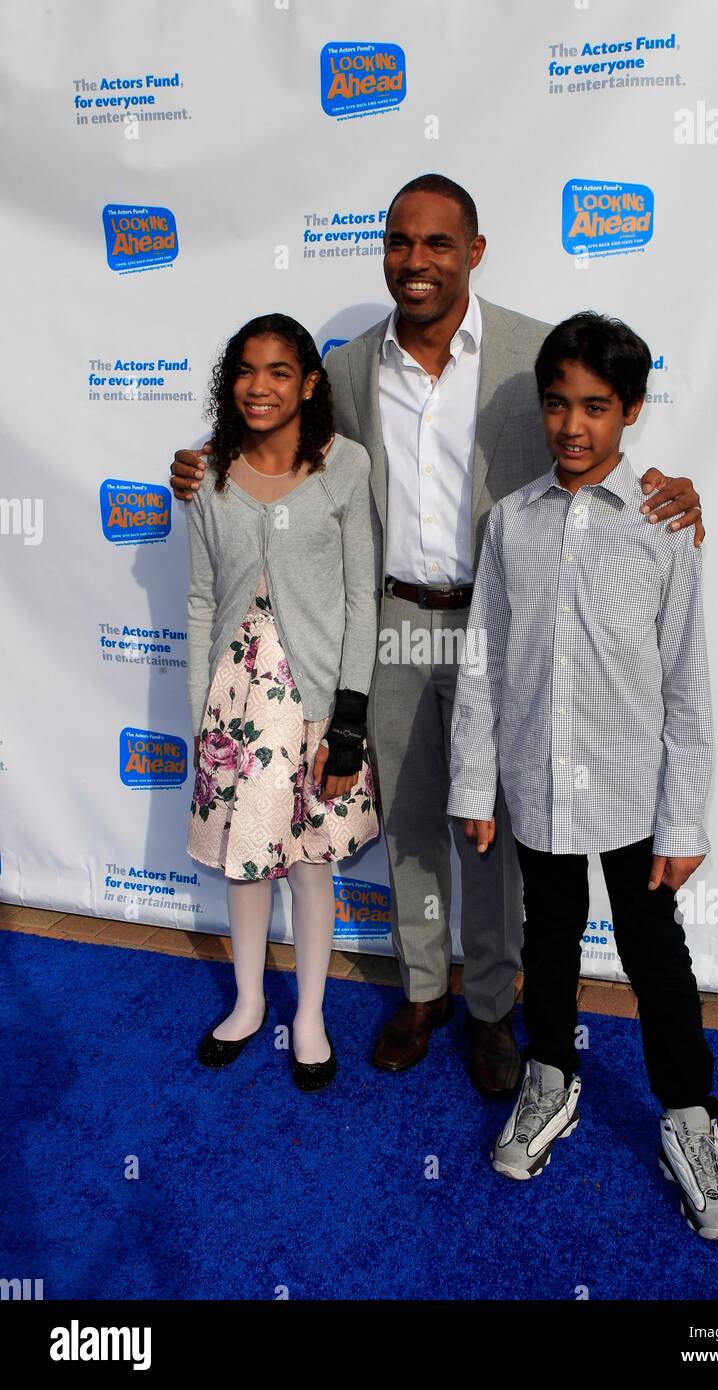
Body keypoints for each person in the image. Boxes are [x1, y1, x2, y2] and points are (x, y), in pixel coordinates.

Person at [169, 175, 707, 1099]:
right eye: (398, 242)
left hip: (506, 628)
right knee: (414, 820)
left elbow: (592, 432)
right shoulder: (343, 370)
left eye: (437, 244)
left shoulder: (529, 354)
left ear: (474, 251)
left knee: (489, 831)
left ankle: (495, 1008)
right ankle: (425, 991)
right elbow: (282, 447)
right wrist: (204, 464)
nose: (415, 262)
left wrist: (674, 490)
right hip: (387, 624)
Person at [448, 311, 718, 1240]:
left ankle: (690, 1117)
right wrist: (472, 784)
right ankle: (551, 1078)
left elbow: (687, 681)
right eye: (556, 405)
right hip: (537, 784)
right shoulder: (511, 525)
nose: (573, 426)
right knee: (551, 942)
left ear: (632, 410)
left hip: (632, 792)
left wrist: (685, 818)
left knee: (657, 956)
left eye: (596, 407)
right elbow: (484, 662)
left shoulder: (663, 527)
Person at [185, 313, 379, 1092]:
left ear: (308, 383)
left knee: (310, 861)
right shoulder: (207, 474)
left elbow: (362, 596)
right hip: (235, 708)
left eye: (277, 371)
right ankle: (248, 1001)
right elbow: (202, 599)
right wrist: (199, 709)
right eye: (245, 370)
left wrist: (353, 722)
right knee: (244, 861)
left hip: (317, 703)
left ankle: (309, 1015)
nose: (259, 387)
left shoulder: (345, 466)